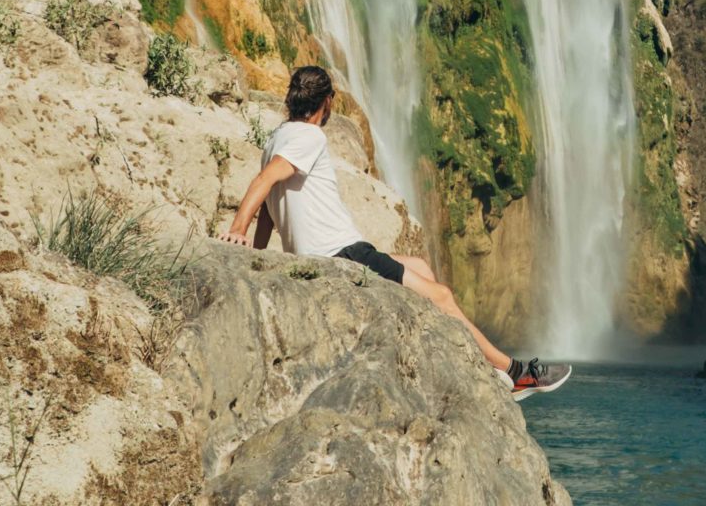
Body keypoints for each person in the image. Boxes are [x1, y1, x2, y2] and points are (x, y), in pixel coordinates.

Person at [218, 65, 570, 400]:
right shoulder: (310, 136)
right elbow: (266, 181)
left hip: (340, 251)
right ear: (327, 103)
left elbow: (267, 204)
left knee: (419, 266)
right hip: (344, 254)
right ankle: (516, 372)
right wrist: (238, 229)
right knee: (442, 295)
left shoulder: (277, 137)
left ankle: (480, 365)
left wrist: (259, 255)